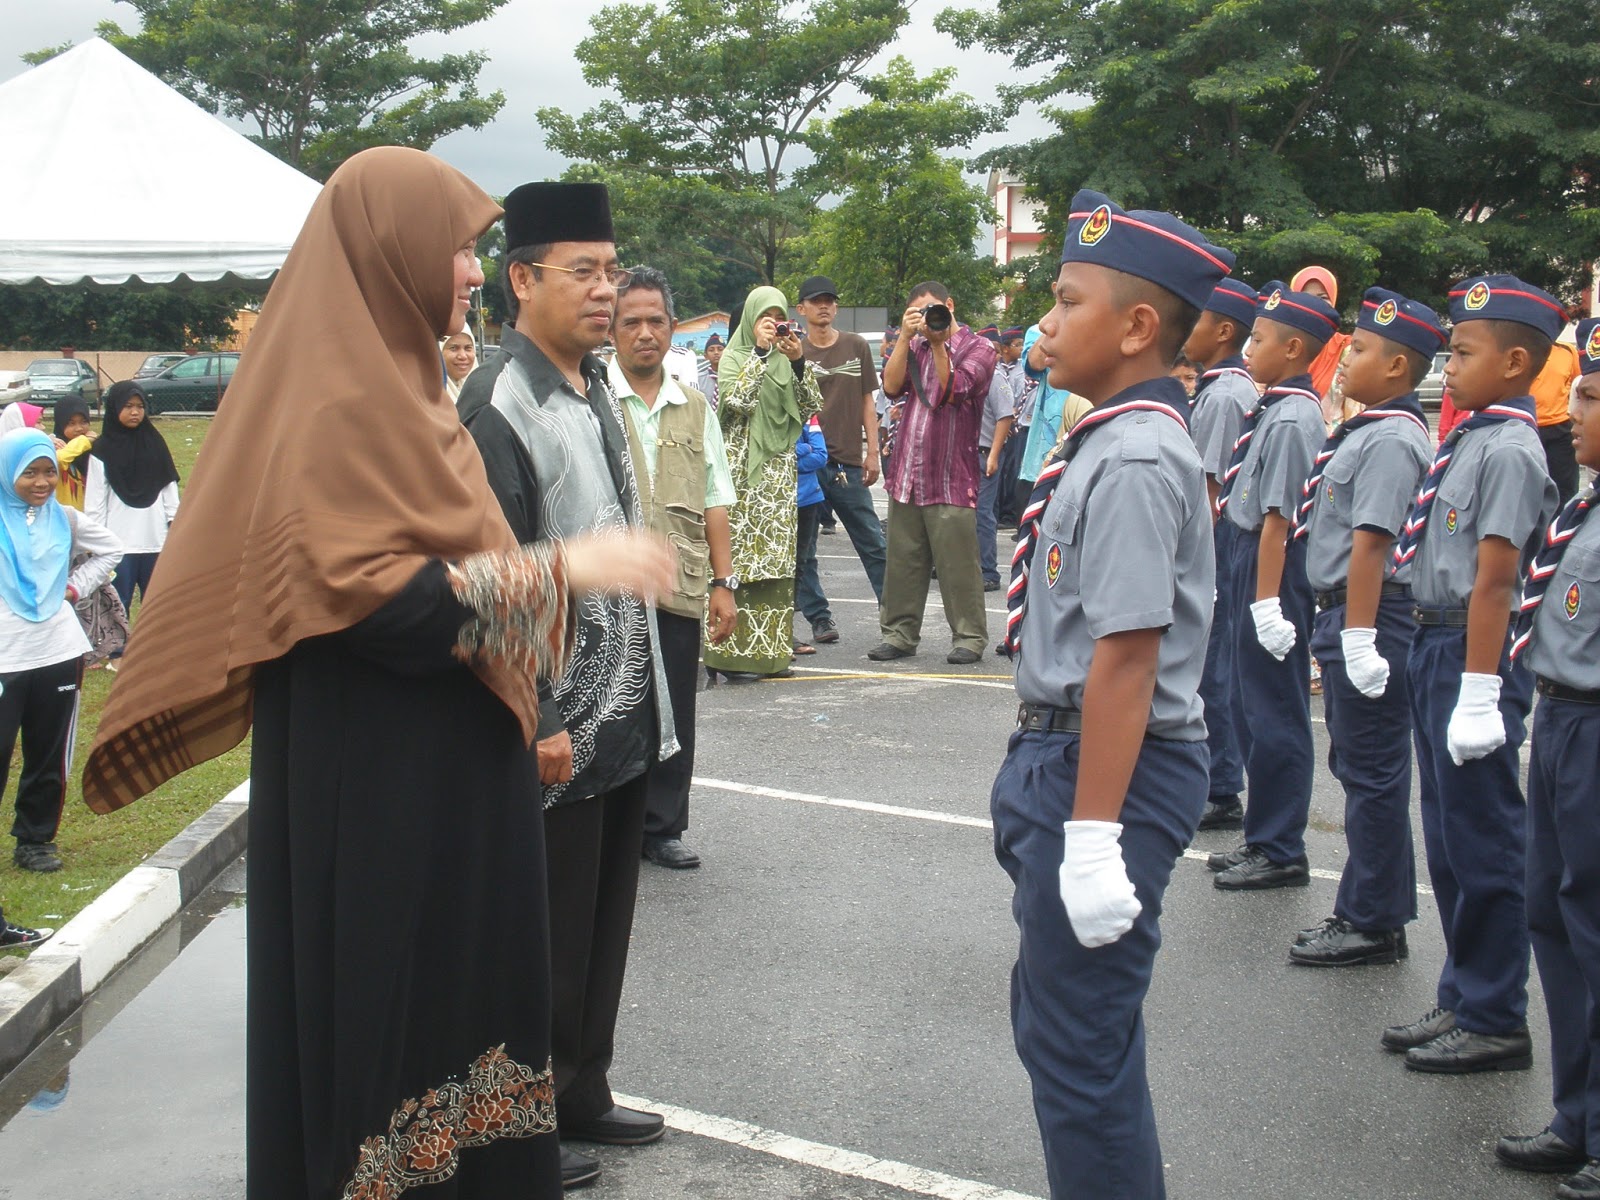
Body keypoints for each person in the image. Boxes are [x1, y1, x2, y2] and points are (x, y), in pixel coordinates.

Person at [80, 147, 674, 1200]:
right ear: (386, 251)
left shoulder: (406, 389)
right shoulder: (334, 408)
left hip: (451, 785)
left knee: (465, 1017)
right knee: (391, 1030)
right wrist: (559, 572)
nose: (464, 272)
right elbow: (376, 601)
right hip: (386, 793)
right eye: (453, 247)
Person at [991, 189, 1232, 1200]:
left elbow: (1126, 659)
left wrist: (1090, 835)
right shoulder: (1109, 439)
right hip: (1080, 758)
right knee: (1072, 1036)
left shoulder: (1132, 455)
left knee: (1079, 1055)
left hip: (1107, 772)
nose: (1045, 321)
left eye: (1067, 299)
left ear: (1138, 328)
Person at [459, 180, 679, 1189]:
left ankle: (583, 1086)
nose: (605, 290)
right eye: (581, 272)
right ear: (521, 279)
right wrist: (536, 717)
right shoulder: (496, 401)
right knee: (535, 937)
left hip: (621, 710)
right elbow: (489, 578)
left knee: (602, 921)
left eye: (609, 267)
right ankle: (526, 1124)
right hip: (550, 719)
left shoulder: (589, 382)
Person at [1380, 274, 1560, 1075]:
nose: (1446, 366)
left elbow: (1495, 581)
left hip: (1471, 649)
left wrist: (1482, 691)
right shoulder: (1471, 437)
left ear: (1517, 361)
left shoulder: (1513, 450)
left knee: (1483, 837)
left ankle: (1494, 1012)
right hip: (1436, 641)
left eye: (1462, 352)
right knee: (1448, 836)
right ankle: (1462, 993)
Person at [1288, 288, 1441, 967]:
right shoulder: (1367, 429)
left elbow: (1371, 543)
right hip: (1350, 610)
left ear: (1400, 368)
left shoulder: (1391, 439)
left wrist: (1356, 637)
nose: (1345, 359)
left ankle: (1373, 918)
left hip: (1368, 614)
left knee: (1375, 771)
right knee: (1358, 765)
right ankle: (1369, 907)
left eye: (1360, 350)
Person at [1496, 317, 1600, 1196]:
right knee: (1553, 917)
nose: (1572, 408)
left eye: (1593, 398)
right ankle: (1577, 1113)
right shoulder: (1584, 504)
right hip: (1561, 722)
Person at [606, 265, 738, 871]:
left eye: (655, 320)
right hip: (607, 586)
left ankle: (662, 828)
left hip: (679, 581)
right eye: (630, 321)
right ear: (611, 330)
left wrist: (723, 583)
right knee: (609, 702)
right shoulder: (593, 401)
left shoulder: (695, 408)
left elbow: (716, 496)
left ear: (672, 329)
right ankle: (609, 824)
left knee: (673, 705)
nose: (644, 333)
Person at [1209, 282, 1336, 889]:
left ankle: (1281, 847)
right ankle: (1262, 834)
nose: (1248, 346)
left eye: (1258, 338)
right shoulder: (1271, 407)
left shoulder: (1291, 419)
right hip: (1245, 554)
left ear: (1292, 349)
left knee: (1274, 710)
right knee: (1244, 703)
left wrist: (1264, 602)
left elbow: (1279, 522)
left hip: (1270, 569)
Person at [2, 427, 122, 874]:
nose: (40, 483)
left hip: (57, 651)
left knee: (48, 754)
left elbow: (111, 549)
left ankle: (34, 840)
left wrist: (74, 587)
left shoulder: (64, 519)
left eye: (48, 472)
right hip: (5, 657)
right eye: (28, 473)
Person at [869, 281, 996, 665]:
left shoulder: (980, 349)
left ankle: (969, 638)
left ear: (951, 305)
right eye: (919, 314)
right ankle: (899, 634)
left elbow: (951, 390)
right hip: (907, 473)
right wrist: (906, 338)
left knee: (959, 566)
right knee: (903, 563)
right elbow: (891, 387)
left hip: (950, 477)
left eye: (934, 311)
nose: (929, 320)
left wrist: (939, 343)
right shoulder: (915, 346)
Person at [703, 285, 824, 680]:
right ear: (751, 320)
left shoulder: (784, 362)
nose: (773, 324)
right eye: (764, 317)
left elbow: (807, 408)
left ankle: (770, 656)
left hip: (777, 475)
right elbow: (738, 401)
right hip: (740, 473)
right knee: (740, 563)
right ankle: (731, 660)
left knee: (774, 563)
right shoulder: (735, 357)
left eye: (778, 316)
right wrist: (758, 353)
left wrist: (799, 362)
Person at [1181, 279, 1259, 831]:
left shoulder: (1226, 395)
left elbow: (1213, 491)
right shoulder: (1216, 389)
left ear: (1225, 331)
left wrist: (1198, 566)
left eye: (1199, 320)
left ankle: (1222, 784)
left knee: (1217, 667)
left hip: (1223, 540)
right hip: (1223, 538)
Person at [797, 275, 887, 639]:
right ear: (801, 308)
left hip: (848, 461)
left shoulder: (855, 346)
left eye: (830, 300)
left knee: (873, 542)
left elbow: (869, 401)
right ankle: (819, 617)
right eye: (816, 301)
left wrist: (873, 452)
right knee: (804, 551)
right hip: (806, 464)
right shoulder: (794, 351)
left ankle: (894, 613)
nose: (824, 306)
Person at [85, 381, 179, 619]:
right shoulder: (102, 449)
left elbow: (168, 486)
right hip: (118, 543)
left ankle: (156, 653)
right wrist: (95, 543)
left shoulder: (155, 443)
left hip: (156, 539)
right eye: (128, 406)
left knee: (157, 605)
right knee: (118, 602)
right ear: (115, 407)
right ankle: (118, 654)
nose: (135, 412)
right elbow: (95, 501)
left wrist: (174, 522)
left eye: (139, 406)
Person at [975, 331, 1016, 591]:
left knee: (982, 513)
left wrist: (993, 455)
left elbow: (1005, 417)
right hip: (967, 454)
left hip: (985, 453)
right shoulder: (974, 375)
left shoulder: (996, 378)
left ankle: (988, 572)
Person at [1290, 265, 1354, 417]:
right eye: (1306, 298)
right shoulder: (1279, 348)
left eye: (1323, 298)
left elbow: (1355, 412)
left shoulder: (1347, 350)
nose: (1315, 305)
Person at [794, 414, 831, 654]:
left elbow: (821, 455)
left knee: (800, 565)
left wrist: (793, 453)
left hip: (808, 500)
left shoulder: (808, 417)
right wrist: (802, 448)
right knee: (778, 567)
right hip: (776, 499)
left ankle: (786, 631)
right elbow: (769, 453)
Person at [1531, 337, 1582, 503]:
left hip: (1560, 429)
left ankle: (1559, 526)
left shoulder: (1567, 351)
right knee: (1528, 488)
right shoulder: (1520, 345)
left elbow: (1577, 385)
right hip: (1526, 427)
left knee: (1564, 489)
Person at [995, 326, 1030, 523]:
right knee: (998, 468)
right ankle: (998, 509)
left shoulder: (1023, 370)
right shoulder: (997, 368)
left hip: (1015, 425)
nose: (1022, 348)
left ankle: (1009, 512)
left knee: (1011, 469)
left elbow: (1021, 397)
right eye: (1018, 345)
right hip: (999, 425)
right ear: (1005, 348)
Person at [51, 397, 95, 509]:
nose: (79, 428)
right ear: (61, 424)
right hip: (65, 516)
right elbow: (60, 459)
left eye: (84, 422)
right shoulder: (56, 445)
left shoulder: (94, 448)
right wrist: (84, 441)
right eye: (71, 423)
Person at [441, 327, 477, 402]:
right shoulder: (429, 394)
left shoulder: (480, 390)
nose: (463, 356)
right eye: (453, 348)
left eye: (468, 348)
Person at [697, 333, 724, 409]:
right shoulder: (698, 379)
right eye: (711, 350)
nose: (716, 352)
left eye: (720, 349)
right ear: (705, 356)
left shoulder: (732, 378)